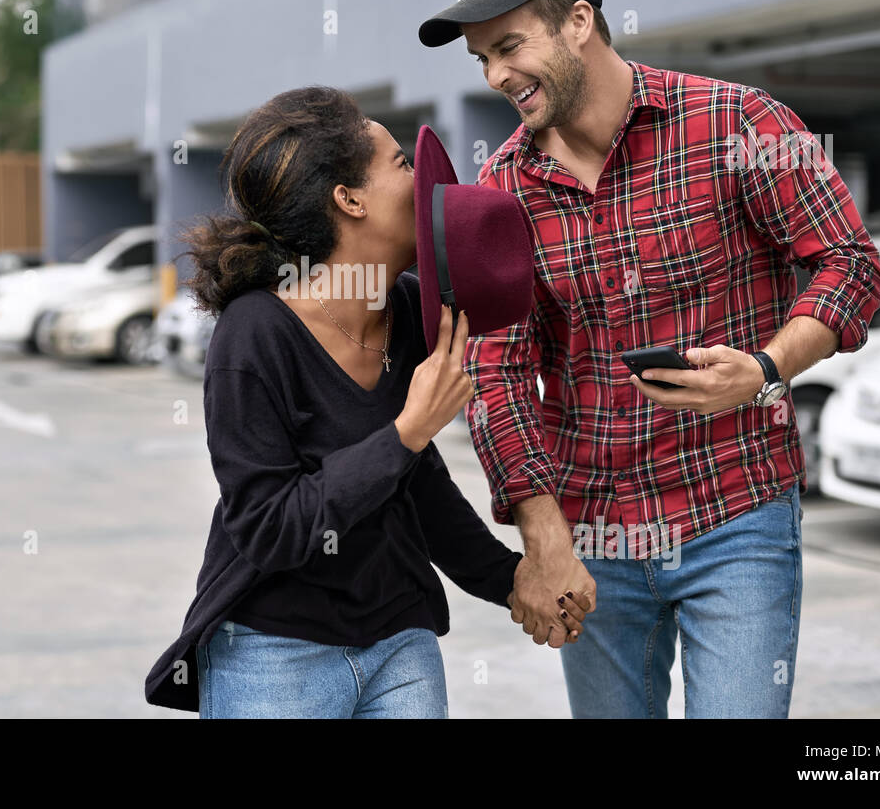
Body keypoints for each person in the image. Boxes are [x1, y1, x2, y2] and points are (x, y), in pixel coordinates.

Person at [418, 0, 880, 717]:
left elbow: (849, 261)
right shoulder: (502, 188)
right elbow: (497, 371)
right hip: (595, 533)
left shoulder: (739, 122)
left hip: (737, 515)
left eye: (508, 46)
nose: (497, 75)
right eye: (481, 60)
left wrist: (766, 368)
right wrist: (543, 534)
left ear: (578, 22)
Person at [143, 86, 572, 717]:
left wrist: (514, 581)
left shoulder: (406, 308)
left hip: (400, 640)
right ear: (349, 199)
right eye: (401, 164)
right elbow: (269, 529)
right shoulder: (254, 333)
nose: (423, 182)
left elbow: (418, 488)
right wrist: (405, 432)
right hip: (274, 653)